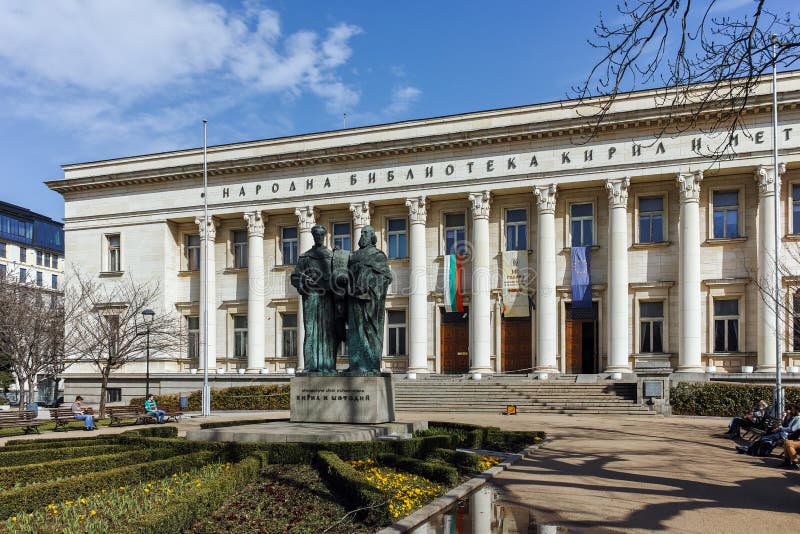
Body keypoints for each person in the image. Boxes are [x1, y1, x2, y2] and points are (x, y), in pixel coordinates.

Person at [290, 225, 338, 374]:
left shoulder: (331, 256)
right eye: (316, 235)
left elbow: (339, 276)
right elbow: (295, 277)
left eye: (320, 235)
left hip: (327, 297)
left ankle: (328, 365)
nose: (318, 237)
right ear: (313, 236)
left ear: (324, 237)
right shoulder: (305, 257)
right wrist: (305, 283)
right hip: (310, 297)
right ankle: (311, 365)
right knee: (311, 331)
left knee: (328, 331)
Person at [346, 225, 392, 374]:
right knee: (354, 331)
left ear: (372, 237)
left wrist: (368, 284)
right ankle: (355, 364)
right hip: (354, 298)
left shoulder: (378, 255)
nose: (363, 235)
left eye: (366, 233)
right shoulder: (354, 256)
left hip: (370, 300)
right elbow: (348, 276)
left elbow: (386, 278)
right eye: (362, 233)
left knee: (370, 330)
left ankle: (372, 365)